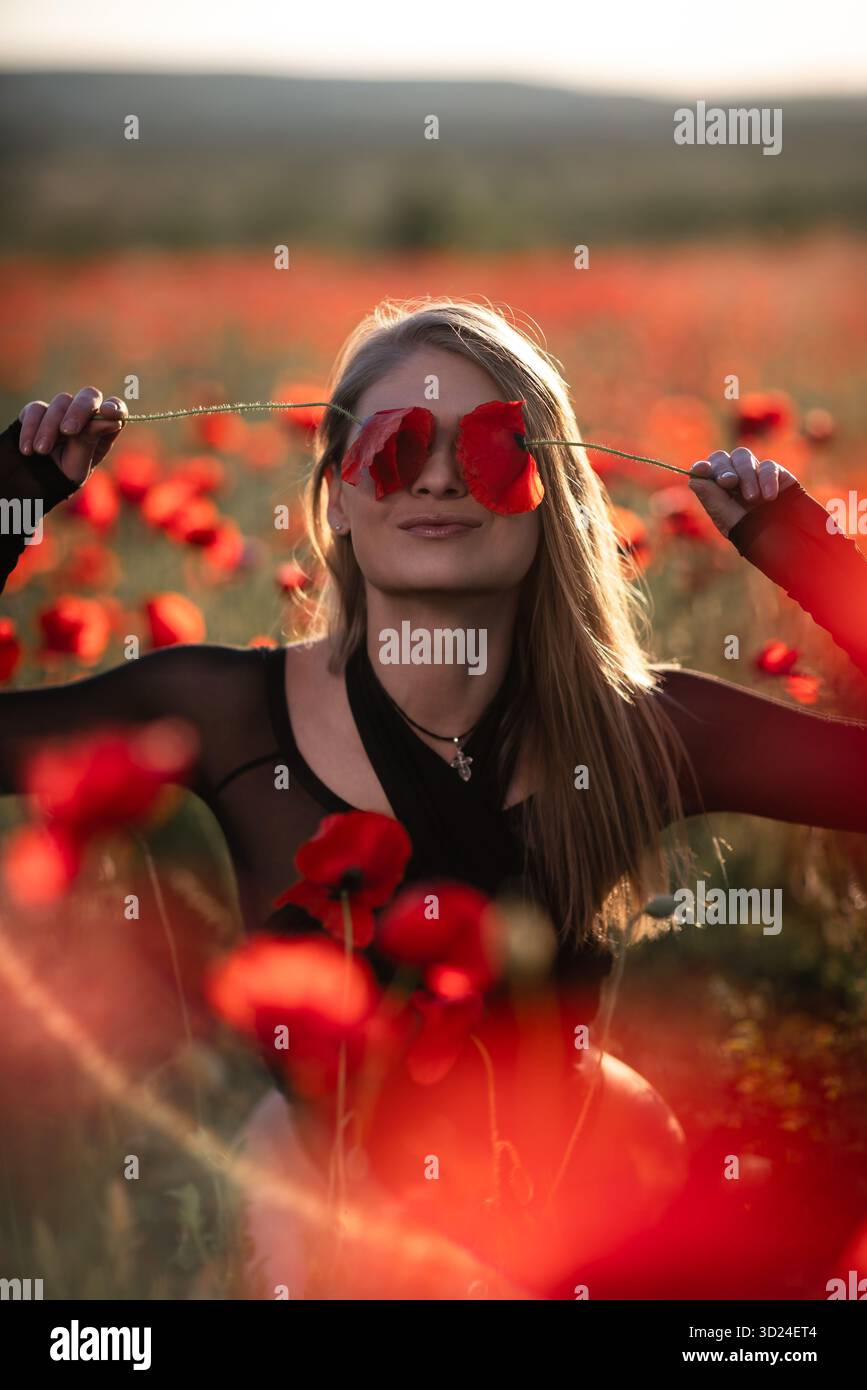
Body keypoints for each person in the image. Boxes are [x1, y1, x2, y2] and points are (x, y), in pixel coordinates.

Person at [3, 297, 867, 1297]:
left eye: (492, 444)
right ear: (337, 495)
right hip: (318, 1231)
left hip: (576, 1215)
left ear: (553, 492)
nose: (441, 473)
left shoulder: (641, 730)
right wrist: (15, 488)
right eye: (395, 445)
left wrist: (806, 551)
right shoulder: (224, 711)